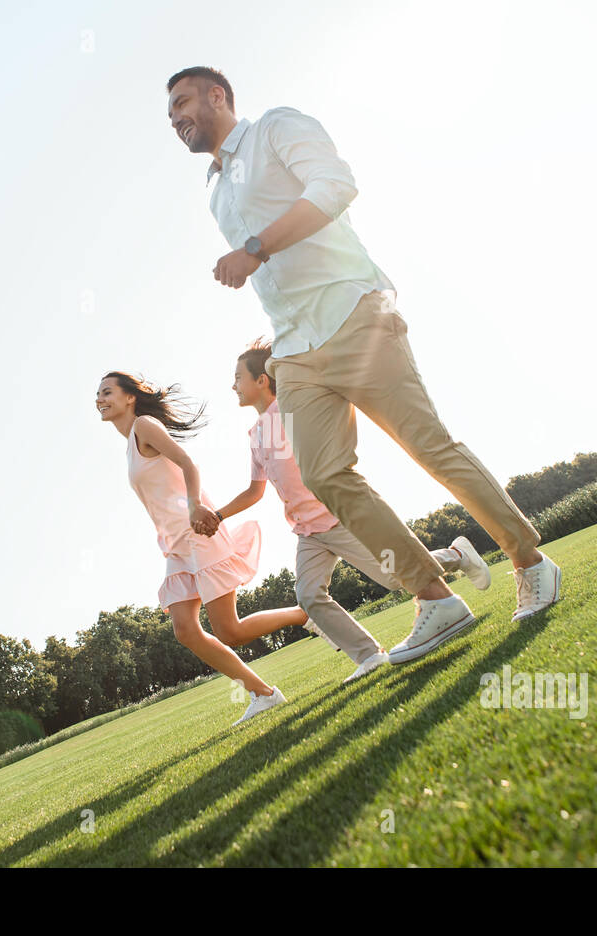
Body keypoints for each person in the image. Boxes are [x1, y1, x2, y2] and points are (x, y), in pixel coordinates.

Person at [164, 66, 561, 664]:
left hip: (354, 312)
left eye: (183, 102)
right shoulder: (215, 190)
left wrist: (252, 249)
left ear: (218, 96)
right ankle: (435, 597)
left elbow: (335, 186)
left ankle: (530, 561)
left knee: (428, 445)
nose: (176, 118)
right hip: (293, 349)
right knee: (325, 476)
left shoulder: (276, 127)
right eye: (170, 113)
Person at [208, 338, 491, 683]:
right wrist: (218, 516)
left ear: (262, 380)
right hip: (306, 530)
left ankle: (455, 554)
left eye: (238, 377)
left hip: (337, 513)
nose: (233, 385)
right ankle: (368, 654)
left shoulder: (291, 410)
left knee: (392, 577)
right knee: (310, 595)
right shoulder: (255, 433)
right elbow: (256, 489)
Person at [97, 370, 307, 725]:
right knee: (186, 630)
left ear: (130, 397)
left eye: (106, 392)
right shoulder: (130, 443)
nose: (99, 399)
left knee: (230, 631)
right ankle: (263, 694)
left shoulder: (145, 426)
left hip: (198, 533)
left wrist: (195, 505)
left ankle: (308, 613)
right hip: (176, 546)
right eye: (97, 394)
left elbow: (188, 463)